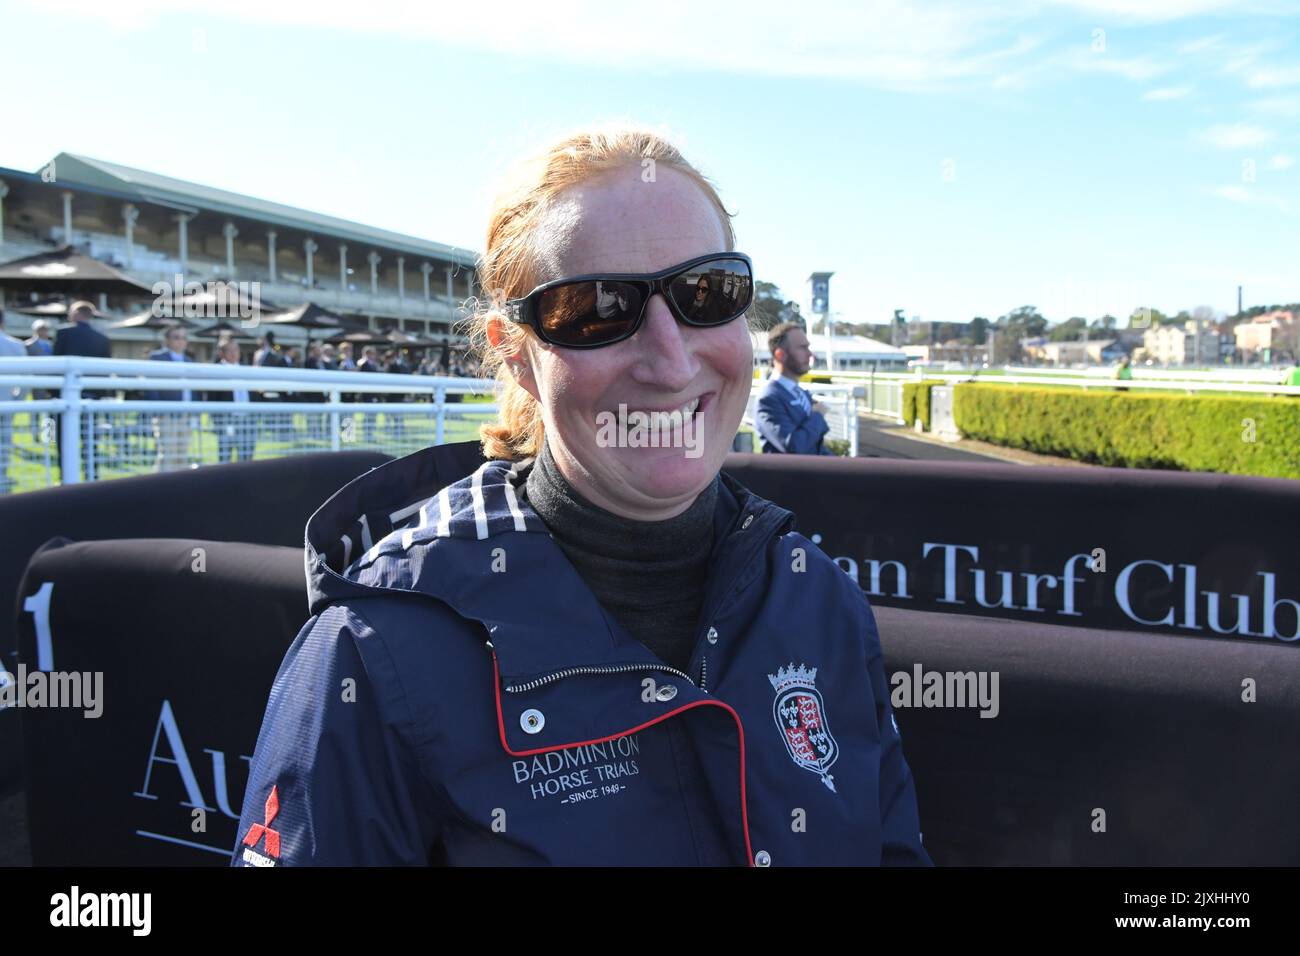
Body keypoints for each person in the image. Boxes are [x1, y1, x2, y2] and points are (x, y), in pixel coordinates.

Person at [232, 125, 929, 868]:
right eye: (598, 309)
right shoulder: (369, 653)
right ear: (516, 355)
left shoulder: (817, 599)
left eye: (706, 293)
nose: (670, 361)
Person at [50, 301, 111, 480]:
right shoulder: (102, 338)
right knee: (90, 441)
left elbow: (56, 365)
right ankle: (92, 476)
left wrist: (52, 393)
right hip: (91, 400)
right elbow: (104, 373)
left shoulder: (63, 333)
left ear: (74, 314)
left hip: (65, 399)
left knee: (62, 440)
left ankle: (66, 477)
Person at [755, 322, 835, 455]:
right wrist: (817, 415)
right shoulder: (768, 398)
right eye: (803, 348)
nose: (810, 354)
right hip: (794, 475)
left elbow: (816, 445)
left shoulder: (800, 393)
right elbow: (794, 447)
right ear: (780, 355)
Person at [144, 324, 194, 472]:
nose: (180, 341)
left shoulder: (189, 360)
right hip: (166, 414)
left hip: (186, 414)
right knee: (167, 453)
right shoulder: (157, 357)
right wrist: (158, 409)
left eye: (184, 338)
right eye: (176, 337)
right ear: (167, 340)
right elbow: (150, 386)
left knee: (182, 454)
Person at [204, 335, 255, 463]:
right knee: (225, 456)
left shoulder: (246, 369)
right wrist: (217, 421)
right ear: (222, 353)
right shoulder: (216, 371)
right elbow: (211, 398)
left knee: (247, 456)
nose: (234, 353)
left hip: (247, 419)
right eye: (229, 350)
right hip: (227, 419)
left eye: (236, 350)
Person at [0, 309, 27, 494]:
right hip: (7, 403)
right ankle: (2, 476)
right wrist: (17, 400)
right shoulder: (15, 345)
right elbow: (26, 381)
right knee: (4, 442)